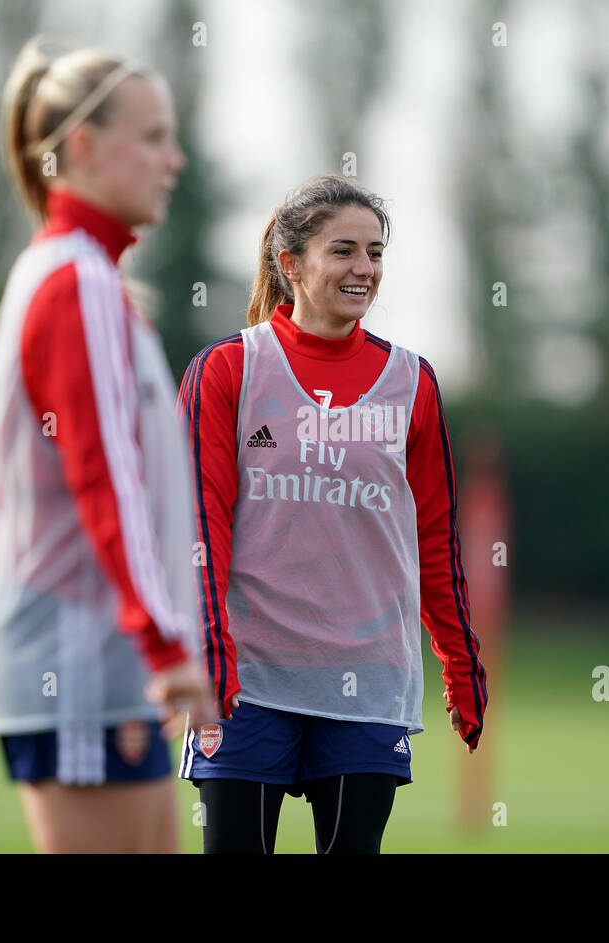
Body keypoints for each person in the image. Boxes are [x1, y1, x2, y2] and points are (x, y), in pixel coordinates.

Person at [177, 174, 488, 853]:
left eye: (375, 252)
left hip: (368, 684)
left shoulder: (413, 381)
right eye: (344, 250)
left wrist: (460, 662)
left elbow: (435, 537)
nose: (365, 269)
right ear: (291, 264)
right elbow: (199, 528)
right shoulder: (229, 370)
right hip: (247, 679)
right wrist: (209, 654)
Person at [0, 36, 210, 853]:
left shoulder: (95, 281)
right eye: (152, 137)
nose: (173, 159)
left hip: (107, 662)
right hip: (77, 657)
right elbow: (105, 479)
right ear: (83, 146)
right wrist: (164, 638)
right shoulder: (75, 283)